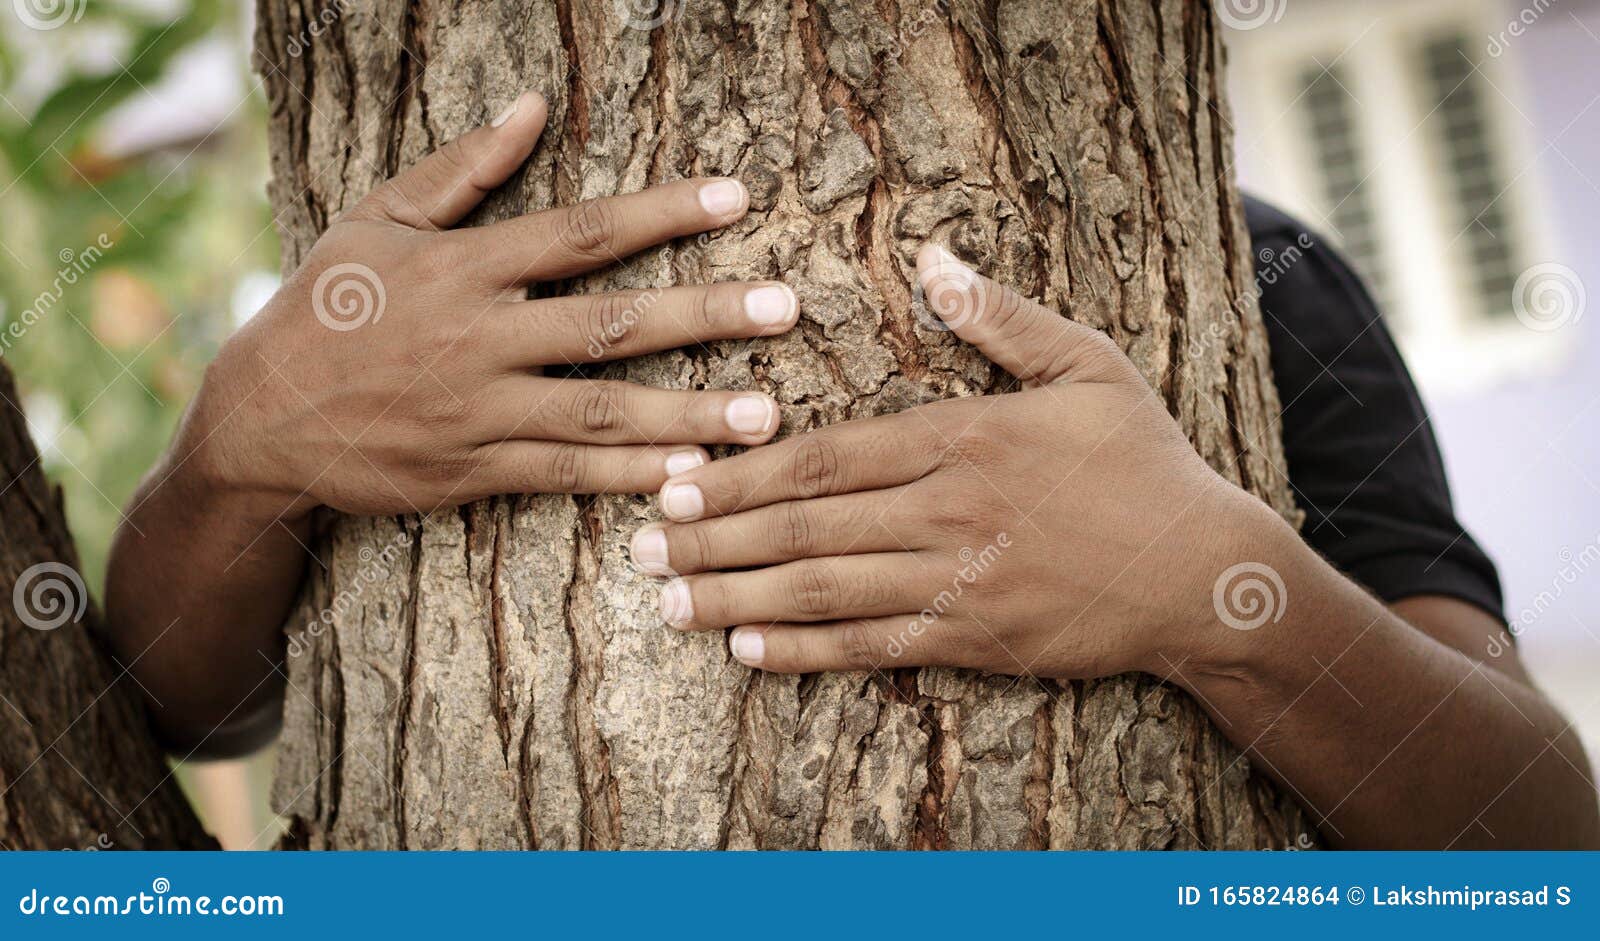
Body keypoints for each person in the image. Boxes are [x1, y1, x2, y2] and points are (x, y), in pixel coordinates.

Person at [106, 92, 1599, 849]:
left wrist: (1208, 589)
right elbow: (192, 707)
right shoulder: (404, 261)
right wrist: (237, 455)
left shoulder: (1258, 275)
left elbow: (1538, 838)